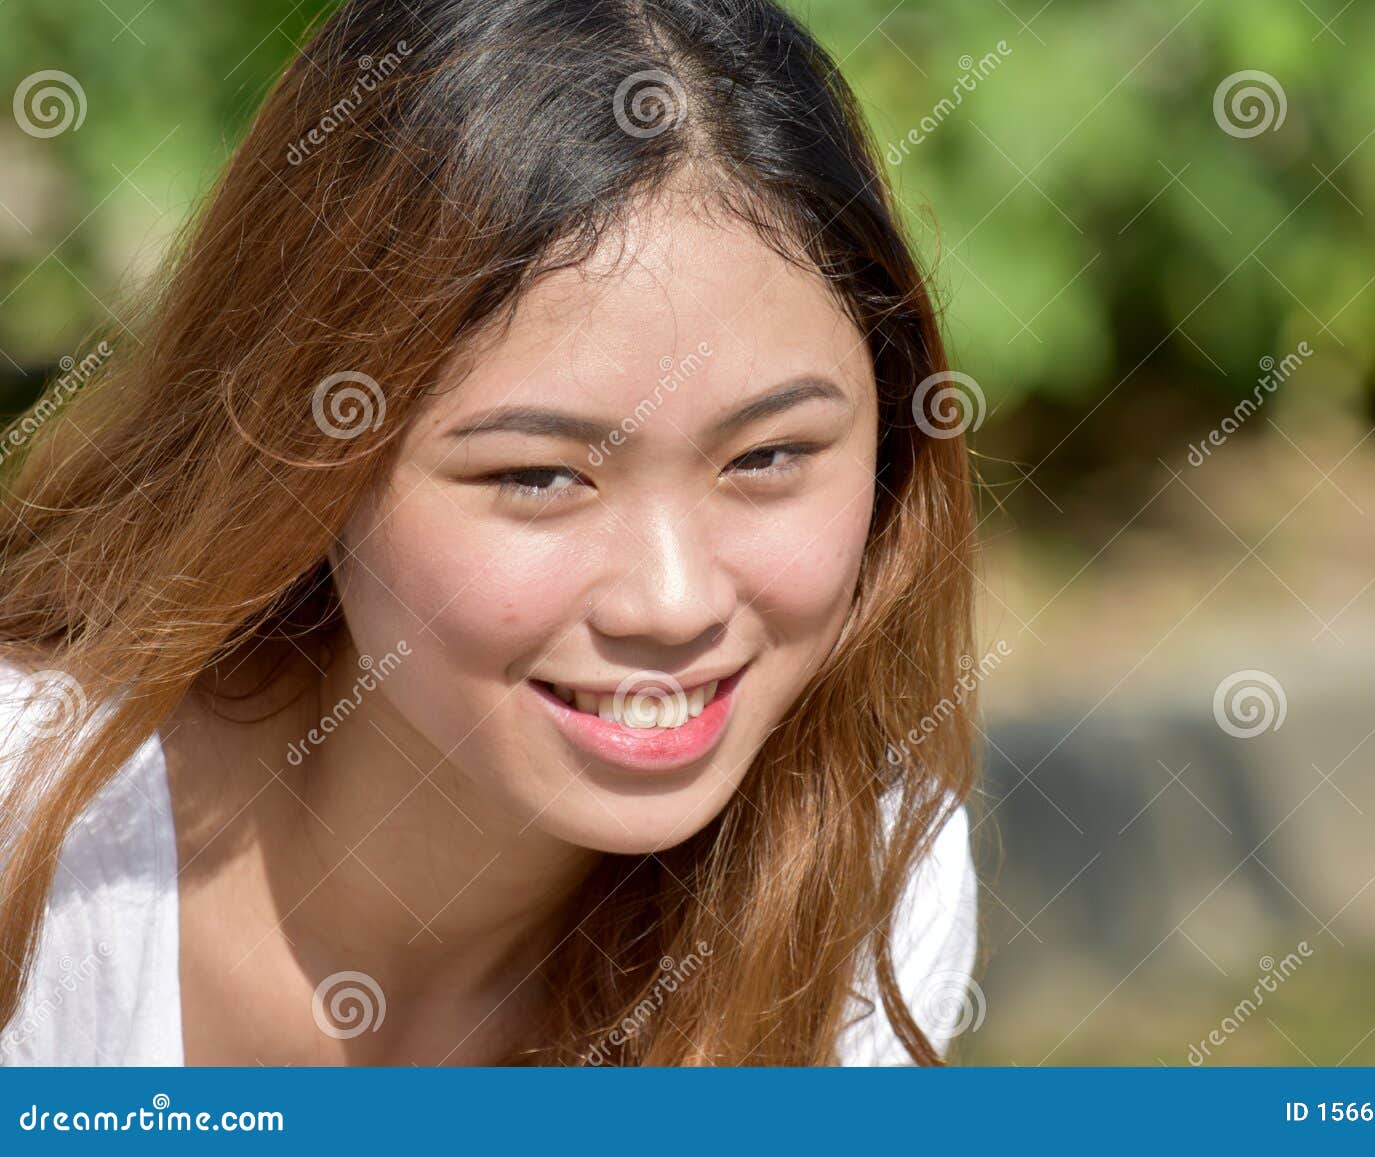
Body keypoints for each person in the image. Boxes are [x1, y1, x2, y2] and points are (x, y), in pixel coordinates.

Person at [0, 0, 982, 1066]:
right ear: (305, 462)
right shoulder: (33, 830)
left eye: (766, 458)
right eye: (537, 475)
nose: (673, 600)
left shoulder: (869, 877)